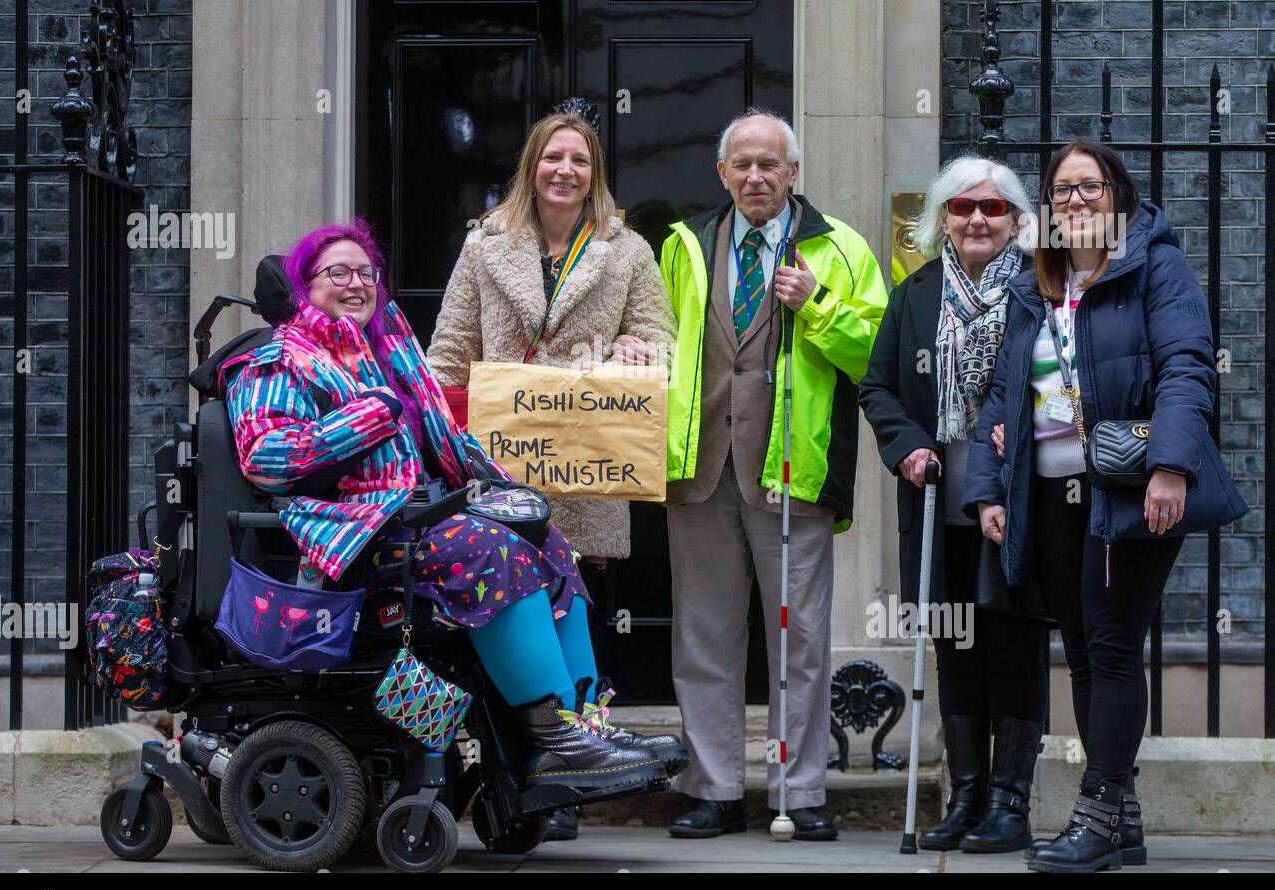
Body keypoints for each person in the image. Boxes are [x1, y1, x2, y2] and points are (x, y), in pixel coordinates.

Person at [223, 219, 684, 799]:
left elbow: (446, 442)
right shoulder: (279, 359)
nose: (356, 284)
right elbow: (267, 458)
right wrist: (370, 413)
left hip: (416, 522)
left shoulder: (390, 351)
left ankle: (584, 727)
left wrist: (508, 493)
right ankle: (554, 739)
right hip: (351, 535)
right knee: (493, 552)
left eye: (366, 273)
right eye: (337, 272)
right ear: (304, 286)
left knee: (548, 543)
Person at [963, 140, 1248, 872]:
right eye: (1062, 191)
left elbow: (1187, 368)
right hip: (1052, 492)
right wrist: (988, 486)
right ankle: (1121, 820)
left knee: (1115, 646)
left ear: (1118, 196)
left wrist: (1170, 467)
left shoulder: (1156, 267)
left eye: (1090, 187)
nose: (1076, 201)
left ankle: (1093, 817)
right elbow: (1003, 394)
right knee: (1084, 651)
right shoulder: (1036, 284)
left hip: (1129, 489)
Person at [428, 105, 678, 836]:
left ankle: (570, 784)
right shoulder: (485, 245)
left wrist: (640, 351)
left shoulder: (627, 250)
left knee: (577, 611)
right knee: (508, 616)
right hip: (502, 469)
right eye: (552, 157)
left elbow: (662, 341)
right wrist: (435, 436)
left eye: (579, 160)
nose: (565, 171)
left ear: (594, 174)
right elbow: (449, 352)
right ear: (531, 167)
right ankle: (519, 778)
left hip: (586, 466)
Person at [661, 108, 888, 839]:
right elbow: (657, 337)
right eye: (743, 164)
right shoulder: (685, 245)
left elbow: (877, 352)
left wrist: (816, 304)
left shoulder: (840, 247)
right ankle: (715, 787)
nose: (755, 176)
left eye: (769, 164)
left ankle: (802, 790)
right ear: (722, 174)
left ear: (793, 172)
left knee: (801, 639)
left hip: (794, 466)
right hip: (699, 467)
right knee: (704, 635)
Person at [859, 154, 1049, 854]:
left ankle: (1010, 802)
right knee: (957, 644)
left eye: (991, 208)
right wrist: (909, 445)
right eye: (962, 207)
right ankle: (966, 795)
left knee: (1014, 643)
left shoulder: (1039, 290)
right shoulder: (916, 294)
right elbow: (877, 387)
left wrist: (1028, 421)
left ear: (1015, 221)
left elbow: (1069, 379)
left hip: (1015, 501)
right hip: (940, 503)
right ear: (943, 219)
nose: (976, 219)